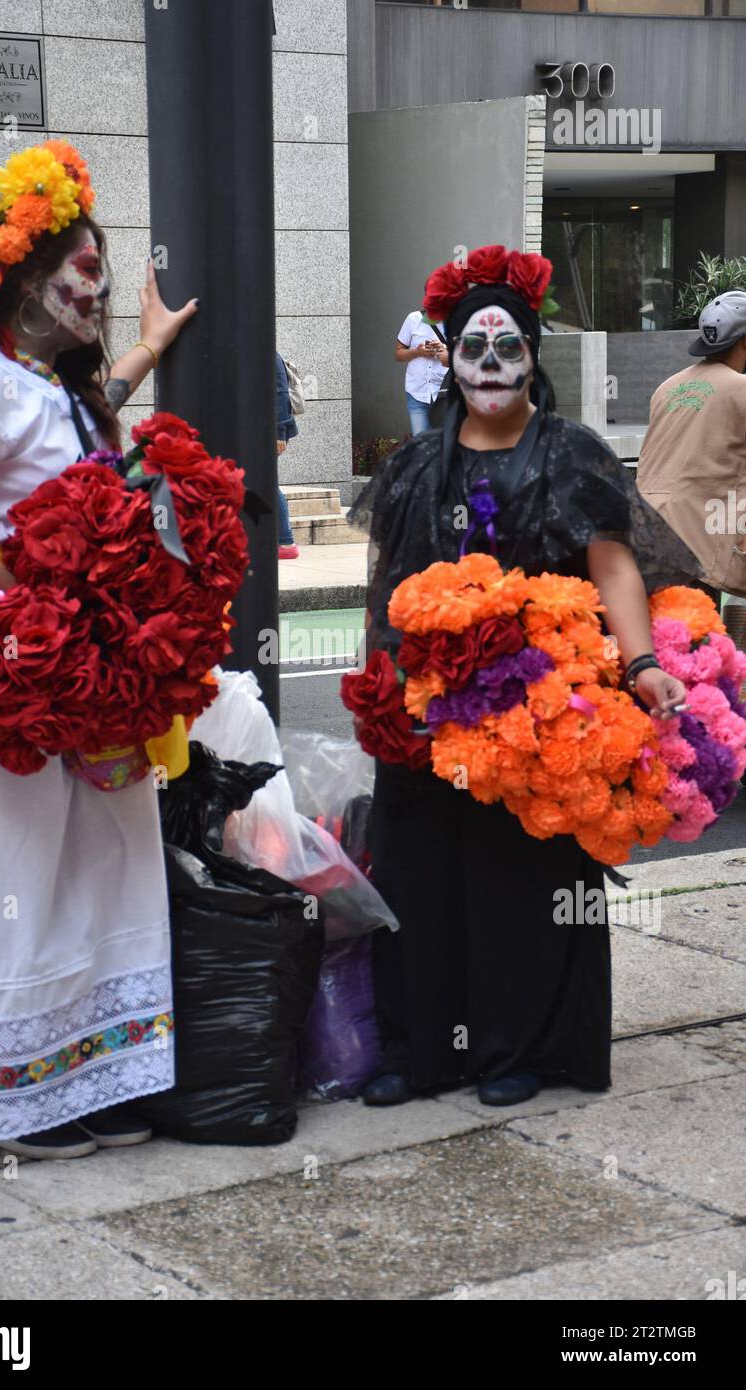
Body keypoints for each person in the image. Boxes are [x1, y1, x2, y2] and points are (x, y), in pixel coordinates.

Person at [0, 142, 198, 1160]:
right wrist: (27, 602)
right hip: (5, 689)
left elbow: (67, 425)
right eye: (87, 278)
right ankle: (24, 1096)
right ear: (17, 274)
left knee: (92, 872)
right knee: (16, 871)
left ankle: (92, 1078)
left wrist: (148, 348)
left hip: (77, 686)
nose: (95, 298)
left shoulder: (45, 384)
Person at [351, 245, 700, 1109]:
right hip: (431, 713)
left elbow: (614, 566)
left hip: (540, 709)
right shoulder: (411, 464)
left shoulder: (571, 452)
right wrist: (384, 692)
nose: (491, 365)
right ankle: (421, 1049)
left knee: (522, 882)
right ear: (449, 356)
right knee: (415, 874)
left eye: (508, 348)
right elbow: (387, 583)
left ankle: (519, 1049)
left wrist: (643, 664)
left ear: (534, 356)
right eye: (474, 347)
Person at [637, 290, 746, 606]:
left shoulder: (667, 387)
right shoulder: (740, 389)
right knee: (694, 643)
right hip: (694, 540)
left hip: (644, 533)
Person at [395, 302, 448, 435]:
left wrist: (445, 352)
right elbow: (398, 354)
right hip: (416, 392)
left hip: (445, 393)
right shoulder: (413, 319)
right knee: (421, 445)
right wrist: (417, 352)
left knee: (445, 445)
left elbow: (467, 357)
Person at [276, 349, 299, 560]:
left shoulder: (268, 355)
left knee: (266, 484)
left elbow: (281, 393)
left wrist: (279, 434)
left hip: (270, 432)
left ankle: (285, 541)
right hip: (255, 430)